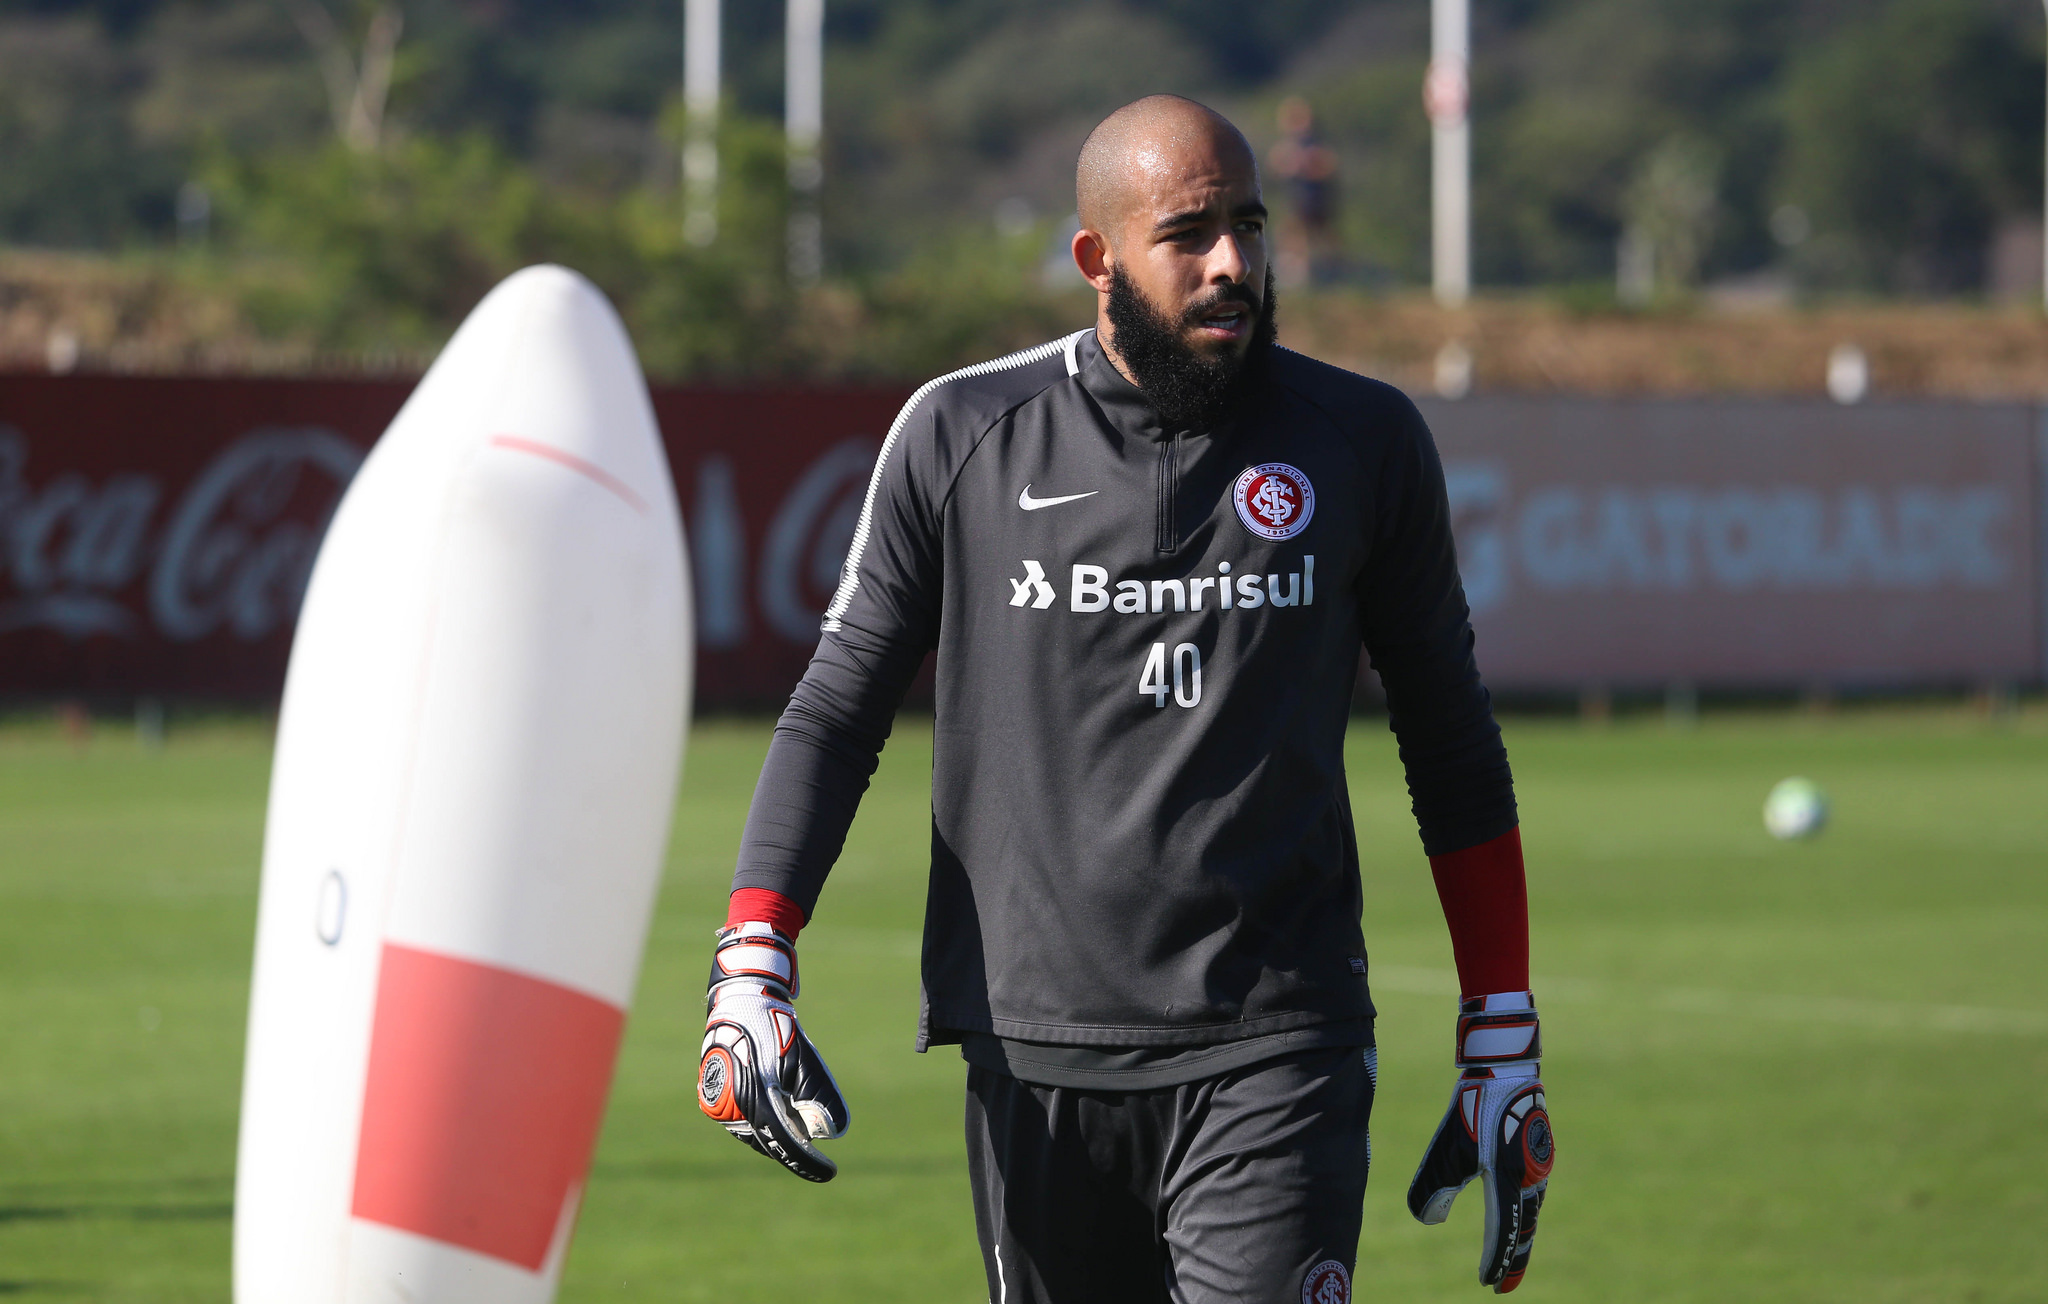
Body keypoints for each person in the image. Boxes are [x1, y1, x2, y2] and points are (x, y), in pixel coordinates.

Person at [696, 94, 1552, 1303]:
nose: (1231, 266)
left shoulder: (1362, 440)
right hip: (1033, 1053)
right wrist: (752, 956)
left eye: (1248, 227)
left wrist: (1499, 1023)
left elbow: (1451, 743)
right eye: (1189, 233)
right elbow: (835, 710)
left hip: (1278, 1040)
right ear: (1096, 259)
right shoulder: (961, 433)